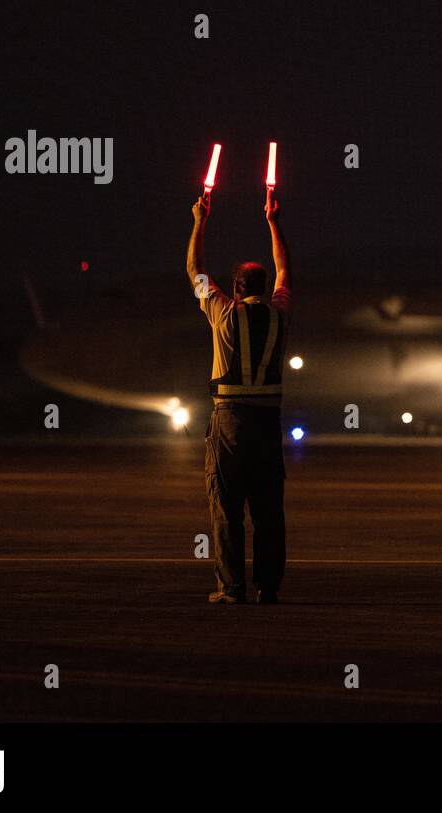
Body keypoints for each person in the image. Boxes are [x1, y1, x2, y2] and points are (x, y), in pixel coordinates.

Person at [185, 190, 292, 604]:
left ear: (234, 286)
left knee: (226, 506)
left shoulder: (223, 313)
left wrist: (199, 220)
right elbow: (285, 270)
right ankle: (268, 586)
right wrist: (273, 221)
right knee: (268, 510)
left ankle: (231, 587)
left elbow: (195, 269)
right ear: (264, 288)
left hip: (229, 421)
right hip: (268, 423)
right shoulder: (280, 314)